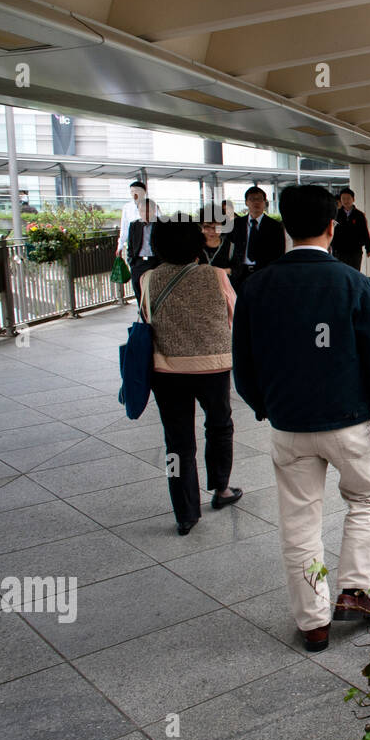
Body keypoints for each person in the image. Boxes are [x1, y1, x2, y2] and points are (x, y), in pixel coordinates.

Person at [232, 184, 370, 654]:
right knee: (366, 500)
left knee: (299, 522)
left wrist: (266, 406)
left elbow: (243, 367)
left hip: (289, 426)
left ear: (284, 227)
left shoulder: (256, 287)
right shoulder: (354, 284)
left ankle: (313, 623)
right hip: (347, 420)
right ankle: (357, 591)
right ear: (332, 227)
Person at [141, 218, 241, 537]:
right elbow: (232, 315)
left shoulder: (148, 279)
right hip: (212, 367)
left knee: (177, 442)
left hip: (166, 371)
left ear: (157, 246)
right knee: (219, 425)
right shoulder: (215, 276)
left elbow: (146, 316)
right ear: (196, 244)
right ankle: (221, 489)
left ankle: (184, 512)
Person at [227, 186, 284, 292]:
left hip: (264, 273)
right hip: (239, 273)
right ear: (246, 202)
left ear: (265, 202)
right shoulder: (236, 224)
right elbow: (229, 247)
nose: (256, 202)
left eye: (259, 199)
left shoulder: (274, 226)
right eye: (252, 199)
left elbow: (279, 253)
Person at [127, 197, 162, 307]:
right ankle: (143, 316)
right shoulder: (134, 225)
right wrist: (132, 262)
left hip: (156, 262)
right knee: (138, 292)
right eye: (142, 211)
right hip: (138, 262)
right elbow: (131, 246)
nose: (145, 213)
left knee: (156, 291)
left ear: (154, 210)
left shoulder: (162, 224)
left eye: (148, 210)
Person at [332, 187, 370, 271]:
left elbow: (365, 232)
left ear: (353, 199)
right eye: (343, 198)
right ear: (340, 200)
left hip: (355, 251)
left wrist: (368, 248)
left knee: (354, 272)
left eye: (348, 198)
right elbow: (332, 232)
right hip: (340, 251)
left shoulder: (359, 215)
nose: (346, 201)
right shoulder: (336, 215)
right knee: (341, 273)